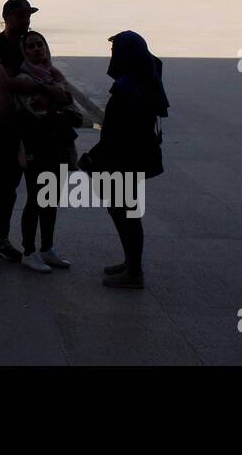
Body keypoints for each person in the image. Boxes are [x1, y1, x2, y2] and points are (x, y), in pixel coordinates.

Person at [0, 0, 59, 272]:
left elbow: (49, 72)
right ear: (6, 18)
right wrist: (42, 88)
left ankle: (0, 239)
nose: (25, 20)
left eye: (27, 15)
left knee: (9, 185)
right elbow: (3, 83)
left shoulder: (28, 45)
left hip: (20, 127)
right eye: (19, 16)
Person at [81, 30, 169, 290]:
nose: (112, 56)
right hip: (131, 156)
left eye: (115, 51)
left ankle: (134, 272)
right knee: (122, 210)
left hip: (124, 159)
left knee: (125, 212)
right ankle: (131, 262)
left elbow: (121, 131)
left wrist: (98, 157)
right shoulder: (144, 76)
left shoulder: (129, 86)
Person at [12, 30, 75, 273]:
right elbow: (32, 110)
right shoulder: (23, 78)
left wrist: (52, 95)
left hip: (57, 143)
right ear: (24, 52)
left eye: (40, 45)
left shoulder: (54, 74)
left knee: (51, 199)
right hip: (35, 145)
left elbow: (68, 100)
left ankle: (47, 248)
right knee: (36, 198)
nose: (37, 49)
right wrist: (53, 95)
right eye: (31, 46)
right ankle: (29, 251)